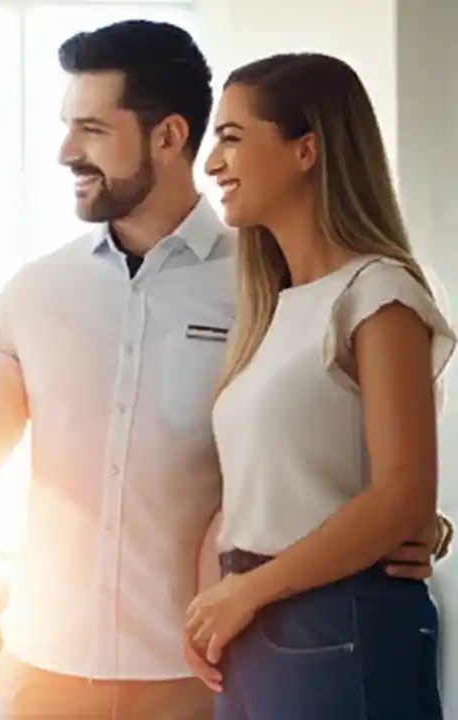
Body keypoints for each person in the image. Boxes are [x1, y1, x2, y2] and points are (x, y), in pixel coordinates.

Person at [0, 21, 450, 720]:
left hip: (204, 679)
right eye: (64, 126)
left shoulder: (267, 285)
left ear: (168, 137)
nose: (64, 152)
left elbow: (321, 446)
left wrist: (406, 527)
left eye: (91, 129)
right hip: (41, 679)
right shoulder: (37, 295)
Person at [184, 53, 453, 719]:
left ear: (307, 150)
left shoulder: (378, 293)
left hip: (336, 626)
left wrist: (246, 594)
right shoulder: (272, 311)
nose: (213, 163)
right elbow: (256, 490)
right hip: (251, 628)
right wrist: (212, 603)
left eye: (232, 137)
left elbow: (403, 492)